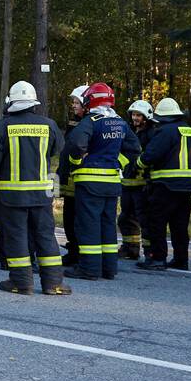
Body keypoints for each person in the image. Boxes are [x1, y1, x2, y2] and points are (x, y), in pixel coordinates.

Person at [0, 81, 70, 295]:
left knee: (16, 237)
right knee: (46, 236)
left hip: (12, 197)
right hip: (42, 195)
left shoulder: (1, 127)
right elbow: (59, 151)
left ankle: (21, 283)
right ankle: (53, 283)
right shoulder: (49, 125)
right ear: (33, 103)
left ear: (12, 102)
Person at [61, 82, 139, 280]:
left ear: (90, 100)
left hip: (90, 183)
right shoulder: (120, 121)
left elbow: (76, 144)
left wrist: (77, 162)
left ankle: (89, 269)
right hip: (112, 184)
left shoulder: (91, 120)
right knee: (107, 225)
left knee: (88, 226)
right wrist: (118, 162)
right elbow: (134, 148)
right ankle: (108, 268)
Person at [137, 97, 191, 272]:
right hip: (187, 186)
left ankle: (158, 258)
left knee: (156, 221)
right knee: (179, 224)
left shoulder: (165, 131)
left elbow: (151, 154)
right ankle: (181, 259)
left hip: (166, 184)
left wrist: (138, 164)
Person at [117, 99, 156, 260]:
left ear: (146, 116)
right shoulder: (128, 132)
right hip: (127, 183)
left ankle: (150, 252)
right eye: (133, 114)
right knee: (126, 217)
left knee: (144, 219)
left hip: (142, 185)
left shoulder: (152, 134)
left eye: (138, 115)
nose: (135, 118)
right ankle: (130, 248)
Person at [57, 84, 90, 267]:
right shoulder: (73, 121)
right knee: (69, 217)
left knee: (80, 218)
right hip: (69, 178)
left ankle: (79, 253)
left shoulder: (92, 122)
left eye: (77, 102)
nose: (74, 105)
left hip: (83, 179)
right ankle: (73, 250)